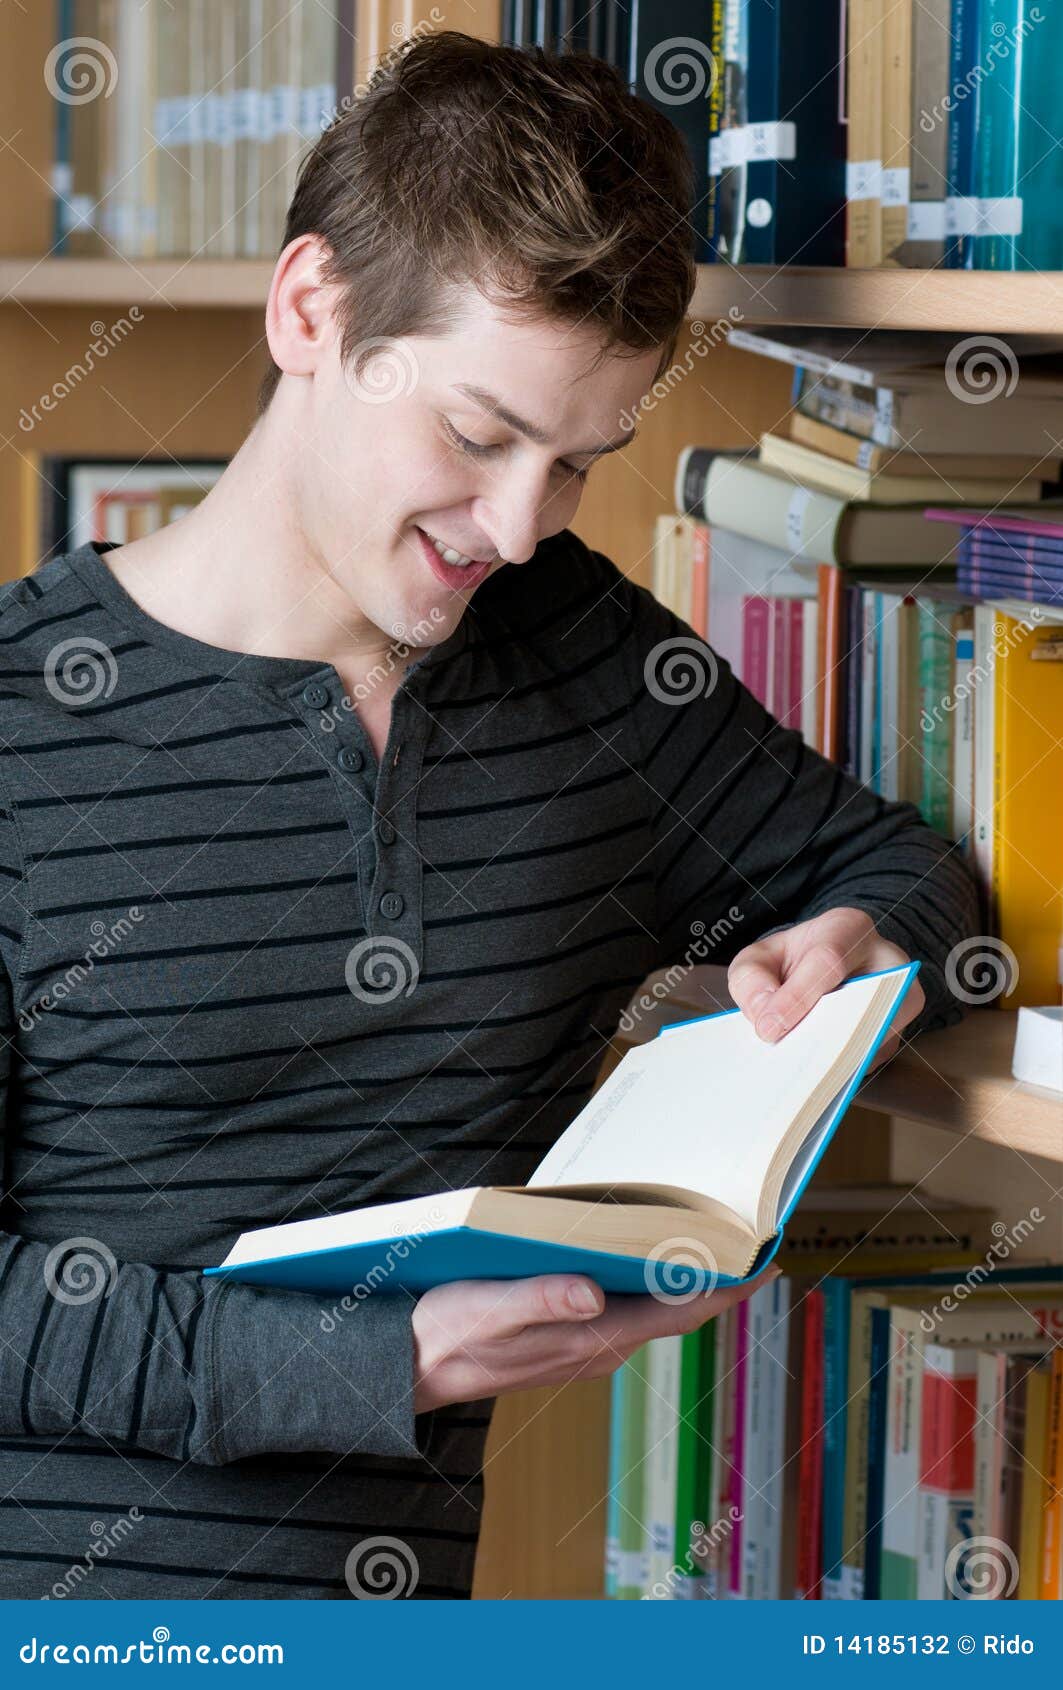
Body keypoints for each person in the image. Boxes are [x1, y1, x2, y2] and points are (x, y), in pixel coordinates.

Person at [0, 33, 978, 1600]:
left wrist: (858, 936)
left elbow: (903, 862)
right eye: (475, 436)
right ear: (311, 309)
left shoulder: (586, 658)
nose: (519, 527)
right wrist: (387, 1360)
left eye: (578, 462)